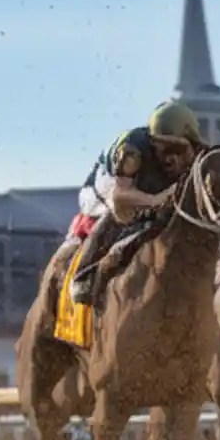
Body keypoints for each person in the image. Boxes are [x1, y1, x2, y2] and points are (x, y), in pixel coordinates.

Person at [69, 99, 205, 306]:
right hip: (106, 189)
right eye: (165, 149)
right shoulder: (133, 151)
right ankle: (84, 275)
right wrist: (155, 199)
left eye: (179, 150)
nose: (172, 159)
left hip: (148, 187)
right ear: (153, 142)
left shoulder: (197, 154)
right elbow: (119, 195)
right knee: (121, 212)